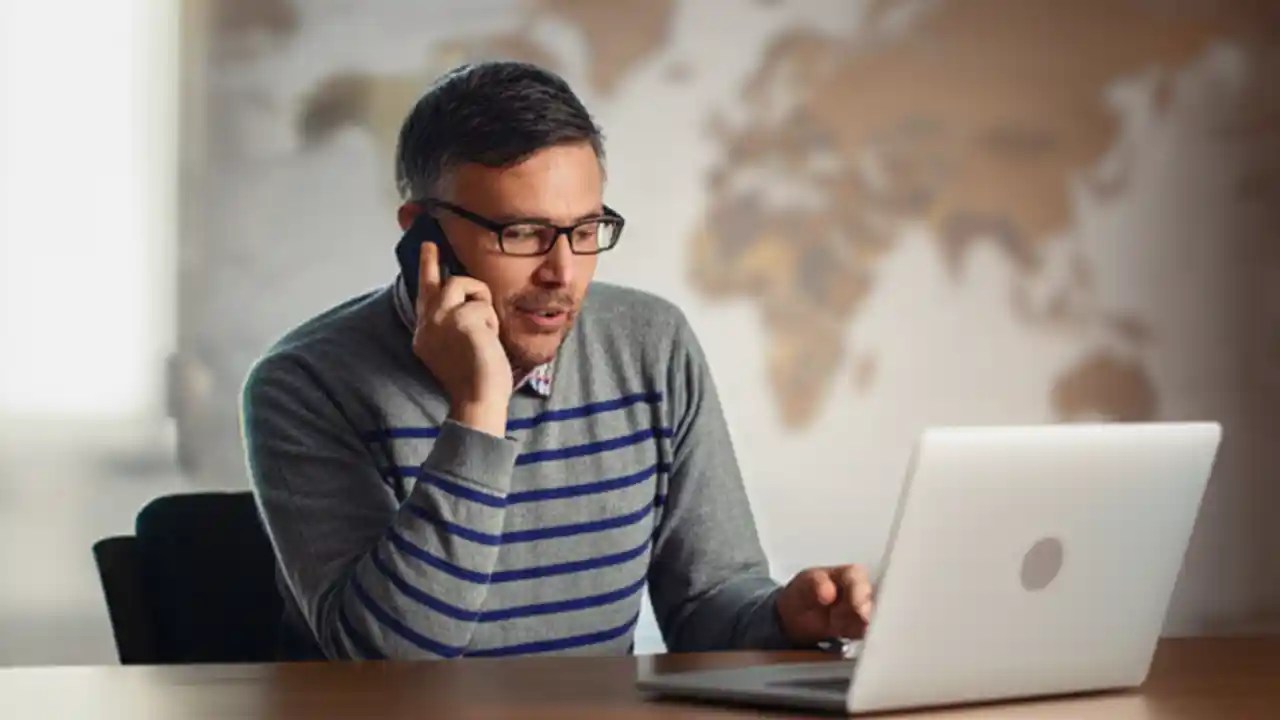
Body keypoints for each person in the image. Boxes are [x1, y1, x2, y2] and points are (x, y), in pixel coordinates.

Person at [241, 60, 874, 661]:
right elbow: (392, 661)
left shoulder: (652, 346)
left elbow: (709, 606)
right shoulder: (302, 383)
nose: (562, 273)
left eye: (585, 229)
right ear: (420, 234)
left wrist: (783, 619)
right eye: (521, 233)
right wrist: (479, 410)